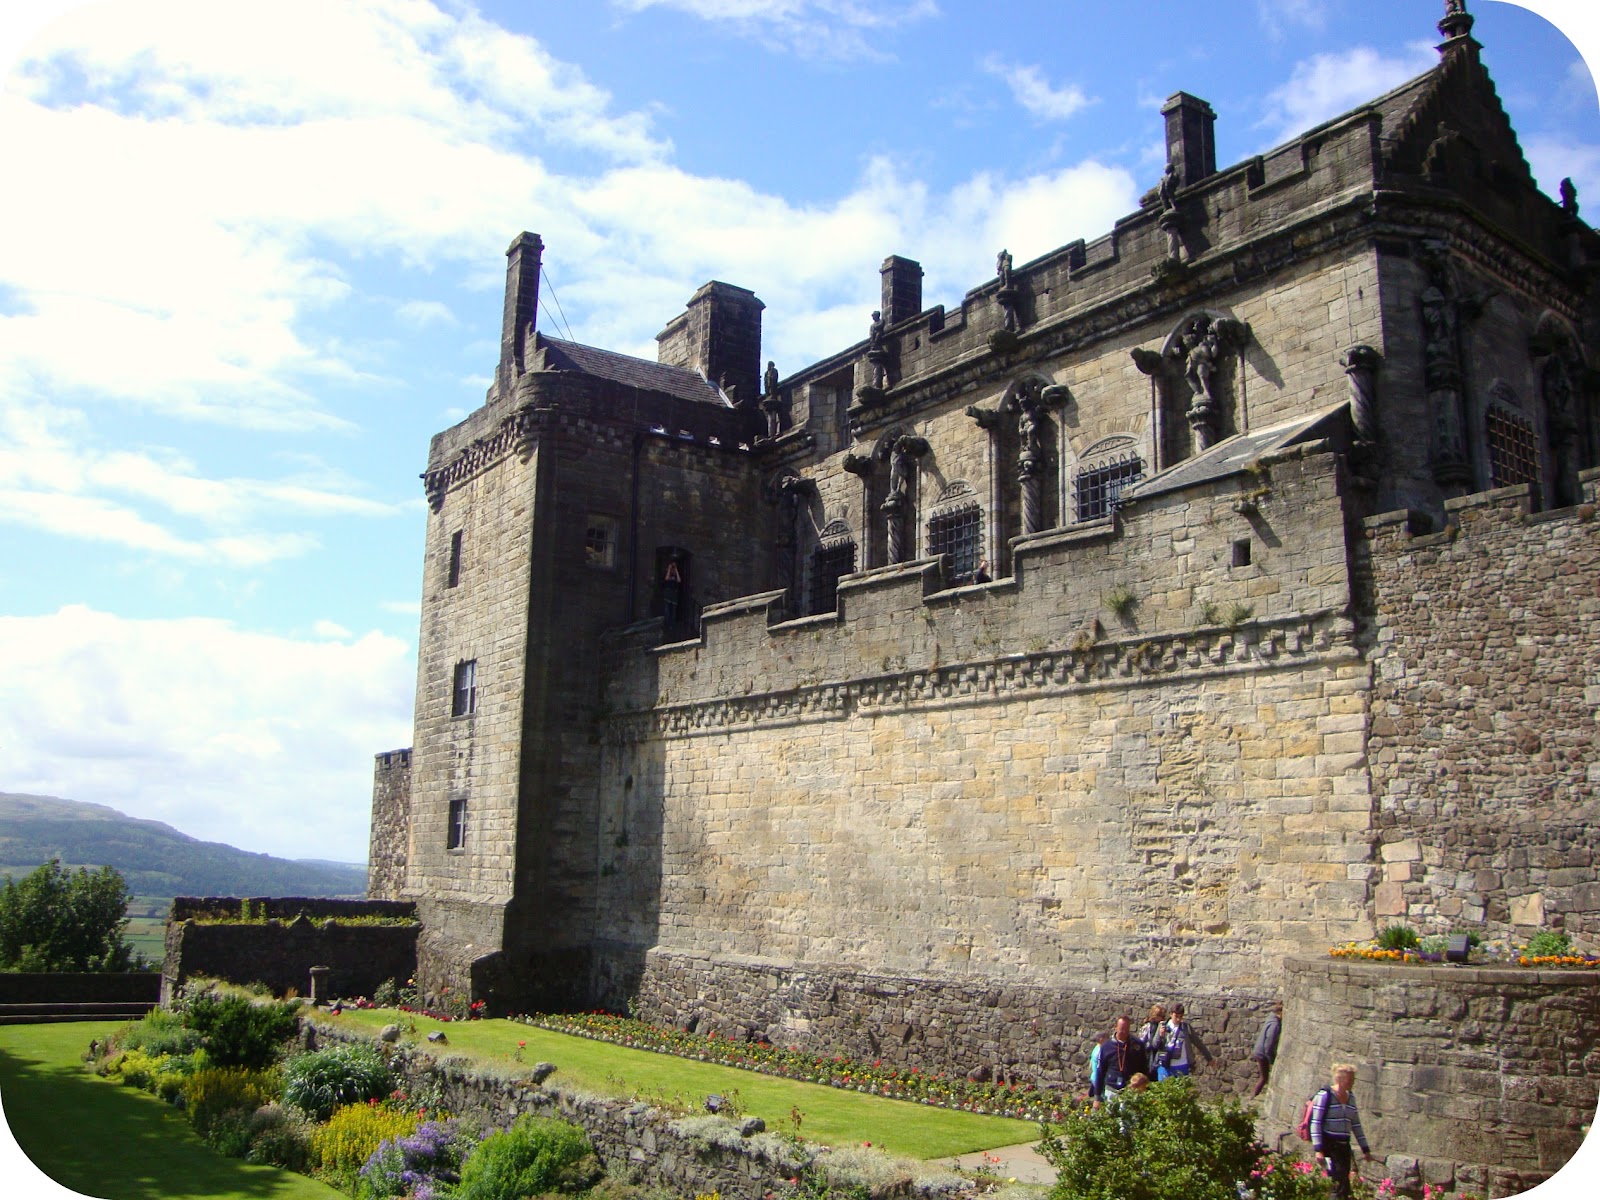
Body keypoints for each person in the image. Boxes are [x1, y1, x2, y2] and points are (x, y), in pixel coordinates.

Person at [1310, 1063, 1374, 1199]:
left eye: (1353, 1080)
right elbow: (1316, 1123)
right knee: (1337, 1183)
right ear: (1339, 1079)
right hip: (1330, 1146)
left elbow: (1356, 1124)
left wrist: (1365, 1149)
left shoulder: (1351, 1097)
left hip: (1344, 1147)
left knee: (1344, 1184)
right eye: (1349, 1080)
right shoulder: (1325, 1095)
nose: (1352, 1083)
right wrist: (1318, 1150)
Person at [1090, 1016, 1149, 1105]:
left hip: (1130, 1089)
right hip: (1111, 1088)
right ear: (1115, 1027)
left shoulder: (1137, 1045)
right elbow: (1100, 1071)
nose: (1124, 1032)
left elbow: (1144, 1068)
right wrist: (1097, 1097)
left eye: (1127, 1029)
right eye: (1121, 1029)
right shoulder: (1106, 1046)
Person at [1251, 1002, 1283, 1096]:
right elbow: (1268, 1044)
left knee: (1263, 1077)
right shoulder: (1275, 1024)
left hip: (1258, 1050)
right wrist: (1271, 1059)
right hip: (1262, 1053)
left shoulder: (1271, 1018)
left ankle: (1253, 1096)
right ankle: (1252, 1097)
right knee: (1264, 1078)